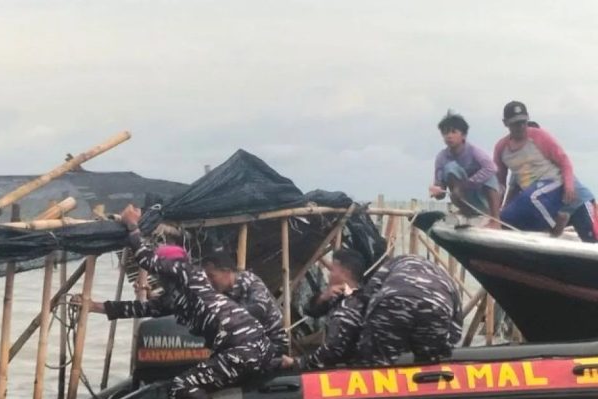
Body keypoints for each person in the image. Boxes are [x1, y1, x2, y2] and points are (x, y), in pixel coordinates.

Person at [90, 205, 273, 399]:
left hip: (241, 347)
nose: (158, 276)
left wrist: (132, 226)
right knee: (187, 377)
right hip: (251, 348)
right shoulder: (178, 297)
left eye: (161, 272)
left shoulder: (188, 272)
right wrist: (93, 306)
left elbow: (148, 261)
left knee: (180, 387)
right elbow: (139, 308)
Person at [283, 250, 463, 369]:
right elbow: (455, 324)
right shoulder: (401, 266)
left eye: (331, 270)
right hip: (442, 304)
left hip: (394, 300)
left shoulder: (350, 305)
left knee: (374, 366)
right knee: (431, 365)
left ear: (343, 273)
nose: (329, 274)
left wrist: (298, 363)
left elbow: (334, 350)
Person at [494, 101, 597, 242]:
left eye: (524, 122)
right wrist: (497, 213)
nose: (521, 127)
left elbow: (564, 161)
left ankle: (557, 228)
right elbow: (504, 186)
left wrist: (568, 186)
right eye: (516, 124)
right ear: (506, 123)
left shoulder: (539, 139)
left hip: (575, 200)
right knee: (512, 216)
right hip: (547, 205)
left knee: (592, 240)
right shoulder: (511, 158)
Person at [201, 249, 289, 355]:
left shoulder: (250, 281)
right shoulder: (220, 295)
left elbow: (260, 308)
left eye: (211, 276)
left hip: (273, 344)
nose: (209, 282)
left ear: (227, 272)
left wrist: (227, 317)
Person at [428, 111, 501, 224]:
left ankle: (495, 219)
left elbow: (492, 168)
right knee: (450, 168)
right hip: (462, 197)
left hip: (481, 196)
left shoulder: (474, 151)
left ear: (463, 135)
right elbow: (440, 190)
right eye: (445, 133)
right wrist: (437, 191)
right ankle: (466, 211)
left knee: (490, 178)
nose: (449, 136)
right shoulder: (441, 157)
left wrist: (467, 184)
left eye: (453, 132)